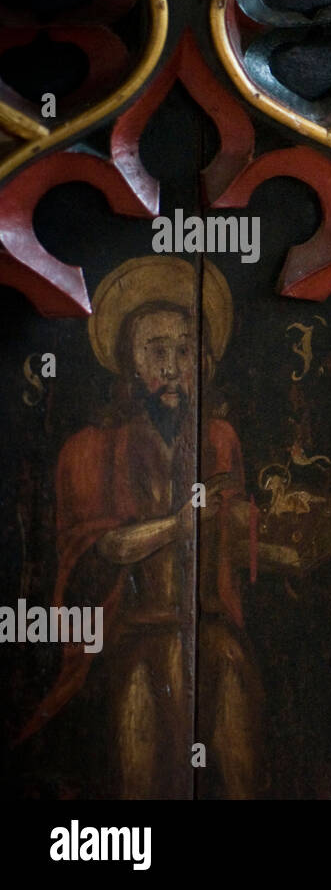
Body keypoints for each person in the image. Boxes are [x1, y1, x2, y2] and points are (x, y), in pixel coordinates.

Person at [15, 256, 263, 798]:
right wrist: (179, 524)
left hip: (215, 635)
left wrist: (266, 527)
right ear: (128, 359)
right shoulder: (90, 450)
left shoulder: (218, 438)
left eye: (183, 350)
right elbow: (100, 547)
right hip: (134, 642)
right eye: (156, 351)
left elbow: (236, 541)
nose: (172, 368)